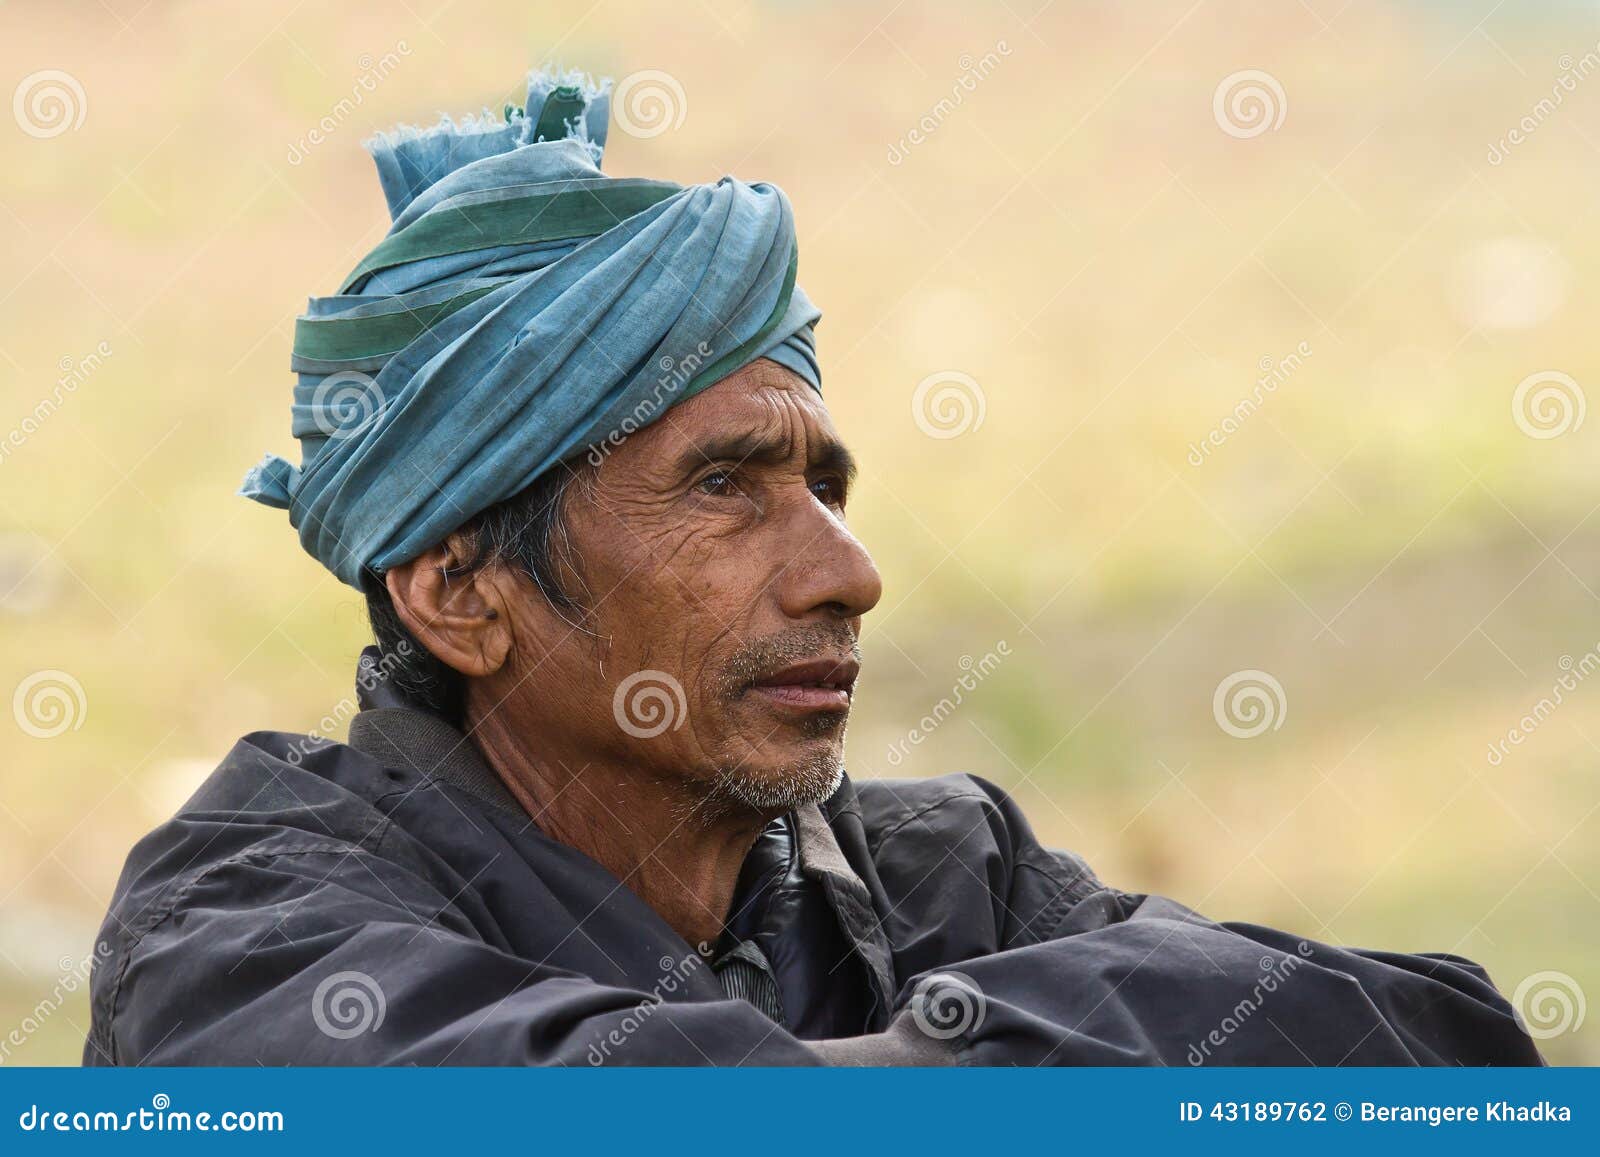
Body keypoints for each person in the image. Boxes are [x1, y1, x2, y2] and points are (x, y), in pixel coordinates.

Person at [83, 69, 1542, 1067]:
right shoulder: (238, 923)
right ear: (460, 589)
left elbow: (1447, 1050)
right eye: (724, 487)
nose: (849, 571)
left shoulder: (942, 872)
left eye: (824, 483)